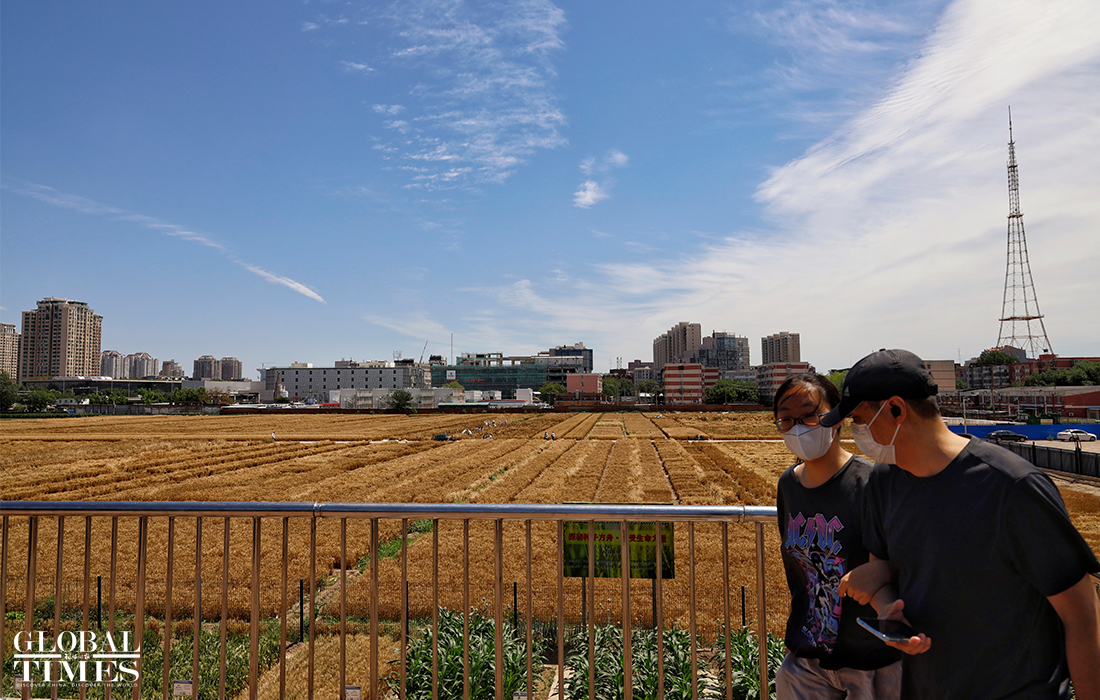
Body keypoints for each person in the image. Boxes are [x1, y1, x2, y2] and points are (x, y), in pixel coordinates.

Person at [828, 349, 1100, 700]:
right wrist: (888, 609)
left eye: (859, 419)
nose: (856, 432)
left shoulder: (1011, 487)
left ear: (896, 409)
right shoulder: (884, 482)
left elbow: (1082, 615)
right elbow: (882, 569)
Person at [773, 373, 901, 699]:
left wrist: (890, 615)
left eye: (809, 415)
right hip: (807, 662)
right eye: (786, 419)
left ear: (837, 418)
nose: (798, 427)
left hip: (871, 663)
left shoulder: (870, 484)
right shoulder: (788, 486)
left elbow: (887, 567)